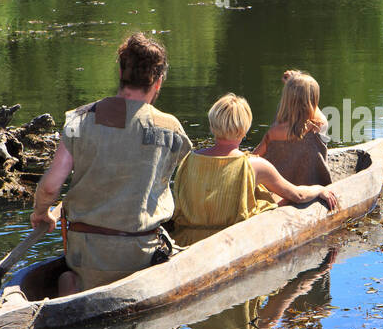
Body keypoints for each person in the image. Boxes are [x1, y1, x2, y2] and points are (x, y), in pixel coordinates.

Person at [31, 32, 191, 295]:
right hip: (140, 253)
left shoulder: (78, 121)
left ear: (120, 71)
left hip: (85, 254)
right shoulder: (171, 129)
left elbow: (50, 187)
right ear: (158, 82)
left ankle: (73, 286)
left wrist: (41, 212)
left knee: (71, 278)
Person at [170, 93, 338, 247]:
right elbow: (298, 195)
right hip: (231, 243)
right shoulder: (254, 165)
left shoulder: (188, 160)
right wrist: (319, 189)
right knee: (280, 199)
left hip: (185, 239)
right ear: (244, 129)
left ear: (213, 125)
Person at [252, 69, 331, 187]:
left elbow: (256, 155)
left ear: (286, 99)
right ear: (314, 101)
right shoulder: (318, 125)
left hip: (277, 186)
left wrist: (292, 85)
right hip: (310, 185)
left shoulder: (275, 131)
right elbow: (314, 109)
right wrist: (297, 84)